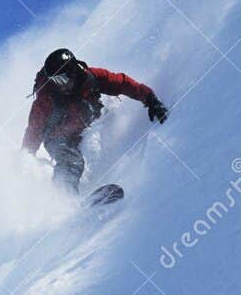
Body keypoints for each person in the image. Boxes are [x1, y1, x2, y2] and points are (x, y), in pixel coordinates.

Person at [22, 48, 168, 193]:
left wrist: (150, 99)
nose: (60, 85)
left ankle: (90, 188)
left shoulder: (92, 78)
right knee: (72, 161)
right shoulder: (47, 99)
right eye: (55, 81)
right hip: (57, 138)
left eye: (62, 79)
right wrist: (25, 158)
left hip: (87, 126)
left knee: (111, 130)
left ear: (73, 71)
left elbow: (122, 83)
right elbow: (34, 130)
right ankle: (64, 197)